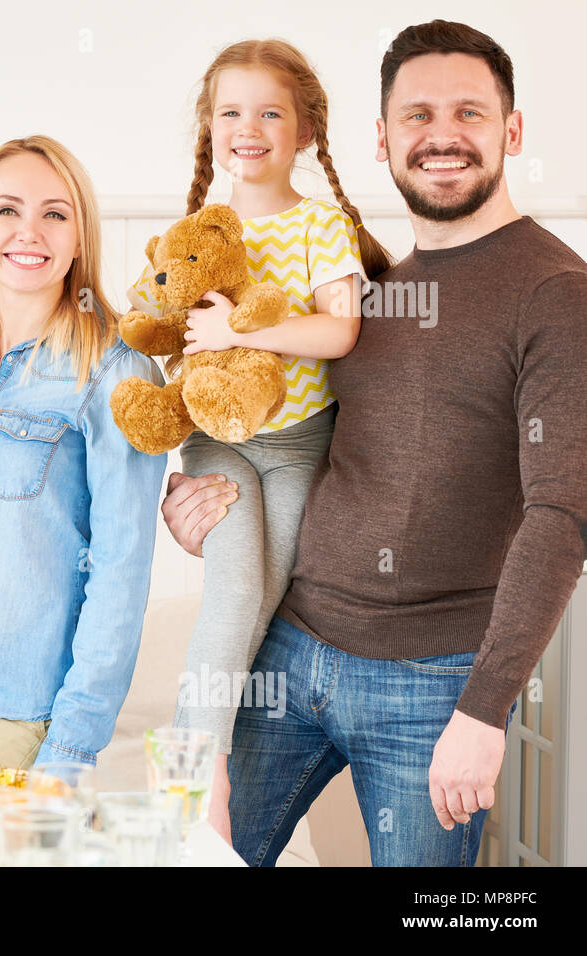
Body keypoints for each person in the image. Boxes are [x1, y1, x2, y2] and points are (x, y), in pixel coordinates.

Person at [162, 20, 587, 866]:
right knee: (176, 846)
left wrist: (482, 709)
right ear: (384, 139)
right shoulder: (370, 286)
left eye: (468, 112)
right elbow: (291, 434)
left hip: (432, 687)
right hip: (287, 644)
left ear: (512, 131)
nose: (442, 135)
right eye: (418, 115)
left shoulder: (555, 291)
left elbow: (564, 512)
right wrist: (194, 499)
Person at [133, 39, 392, 843]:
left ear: (306, 130)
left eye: (270, 112)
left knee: (267, 588)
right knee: (239, 590)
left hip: (300, 443)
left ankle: (197, 763)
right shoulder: (200, 232)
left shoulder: (320, 225)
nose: (249, 128)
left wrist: (248, 324)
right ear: (209, 130)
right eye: (230, 112)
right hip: (220, 440)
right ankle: (189, 774)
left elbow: (341, 331)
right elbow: (158, 324)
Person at [0, 136, 165, 770]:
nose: (30, 232)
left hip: (15, 719)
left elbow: (120, 574)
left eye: (55, 213)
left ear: (80, 237)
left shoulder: (116, 373)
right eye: (6, 210)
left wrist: (70, 749)